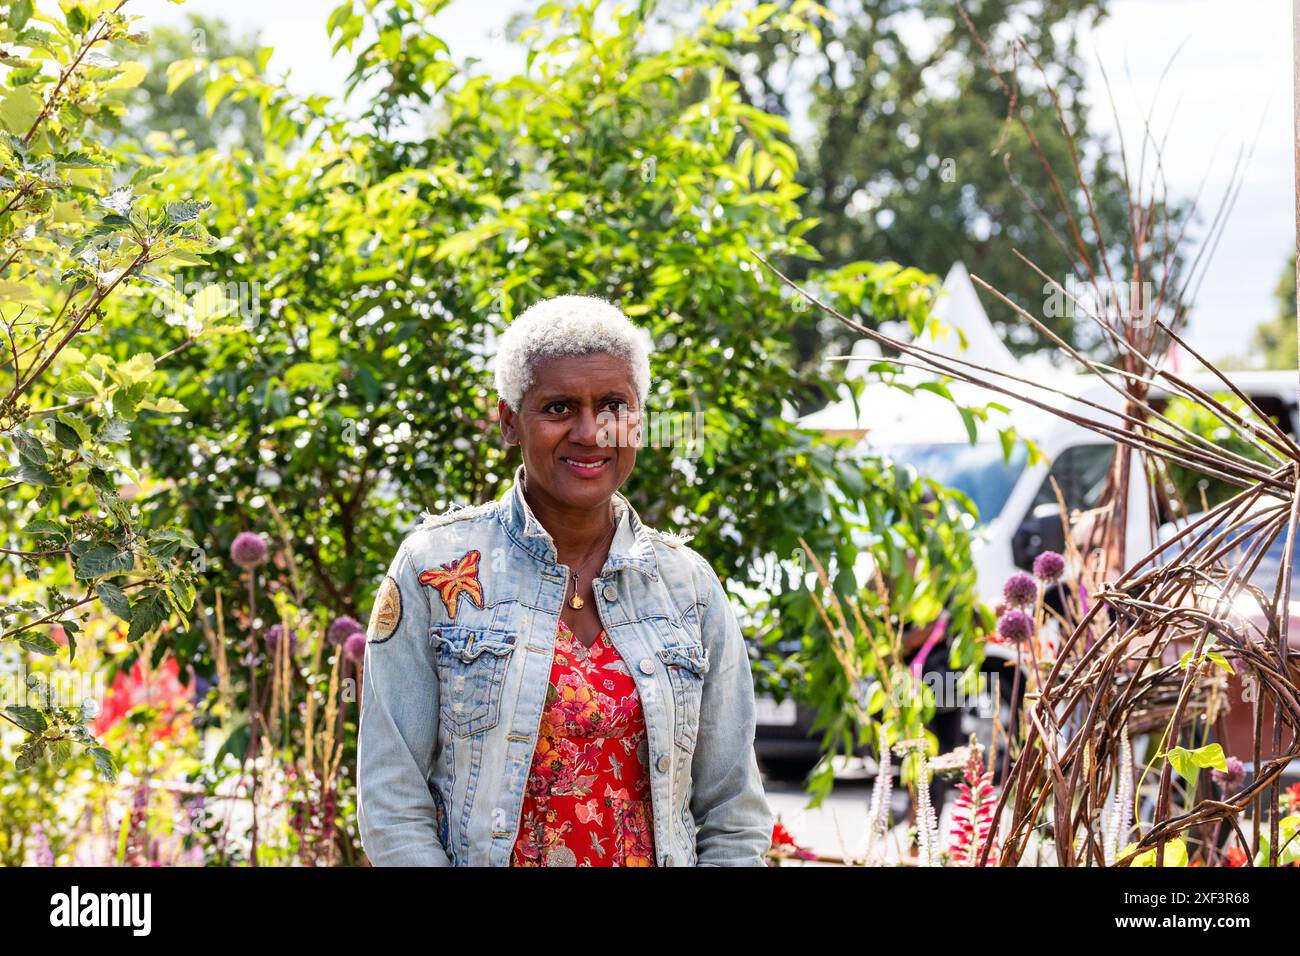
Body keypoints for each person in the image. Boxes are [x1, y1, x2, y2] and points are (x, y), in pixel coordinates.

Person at [356, 294, 774, 866]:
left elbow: (734, 812)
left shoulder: (688, 588)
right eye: (557, 408)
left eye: (612, 406)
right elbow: (392, 800)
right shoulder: (436, 570)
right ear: (509, 421)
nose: (589, 431)